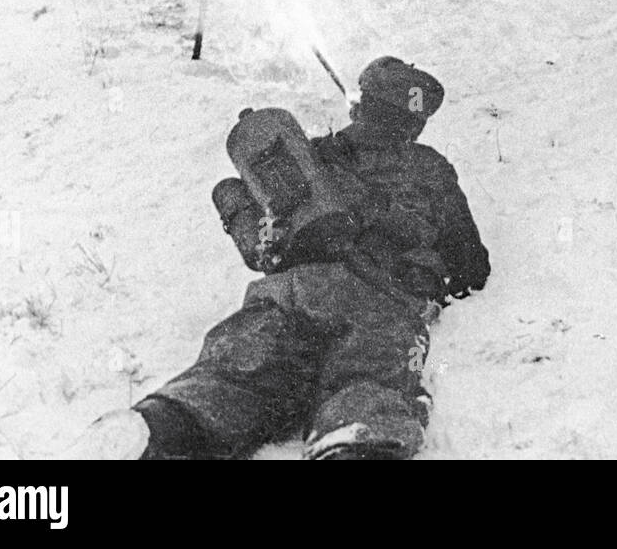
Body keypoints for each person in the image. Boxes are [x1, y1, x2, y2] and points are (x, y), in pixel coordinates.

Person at [76, 57, 489, 461]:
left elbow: (265, 237)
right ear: (414, 121)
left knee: (241, 365)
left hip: (290, 291)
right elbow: (471, 266)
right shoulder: (429, 167)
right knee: (367, 375)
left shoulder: (308, 157)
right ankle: (355, 439)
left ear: (359, 105)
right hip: (380, 296)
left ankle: (169, 424)